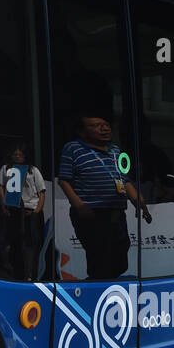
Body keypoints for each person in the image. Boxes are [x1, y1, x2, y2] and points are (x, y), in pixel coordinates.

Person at [58, 111, 152, 280]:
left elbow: (123, 179)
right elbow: (64, 180)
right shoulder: (73, 148)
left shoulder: (115, 150)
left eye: (106, 125)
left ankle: (106, 283)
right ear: (81, 131)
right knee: (99, 257)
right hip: (91, 212)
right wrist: (79, 205)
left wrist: (138, 200)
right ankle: (97, 289)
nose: (104, 128)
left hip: (116, 213)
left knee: (120, 254)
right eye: (95, 126)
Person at [0, 144, 46, 279]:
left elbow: (41, 191)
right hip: (13, 210)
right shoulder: (7, 168)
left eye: (20, 155)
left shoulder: (33, 170)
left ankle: (31, 273)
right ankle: (16, 272)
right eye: (15, 155)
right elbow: (0, 186)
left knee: (31, 243)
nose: (17, 157)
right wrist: (3, 205)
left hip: (30, 210)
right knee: (14, 242)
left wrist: (36, 211)